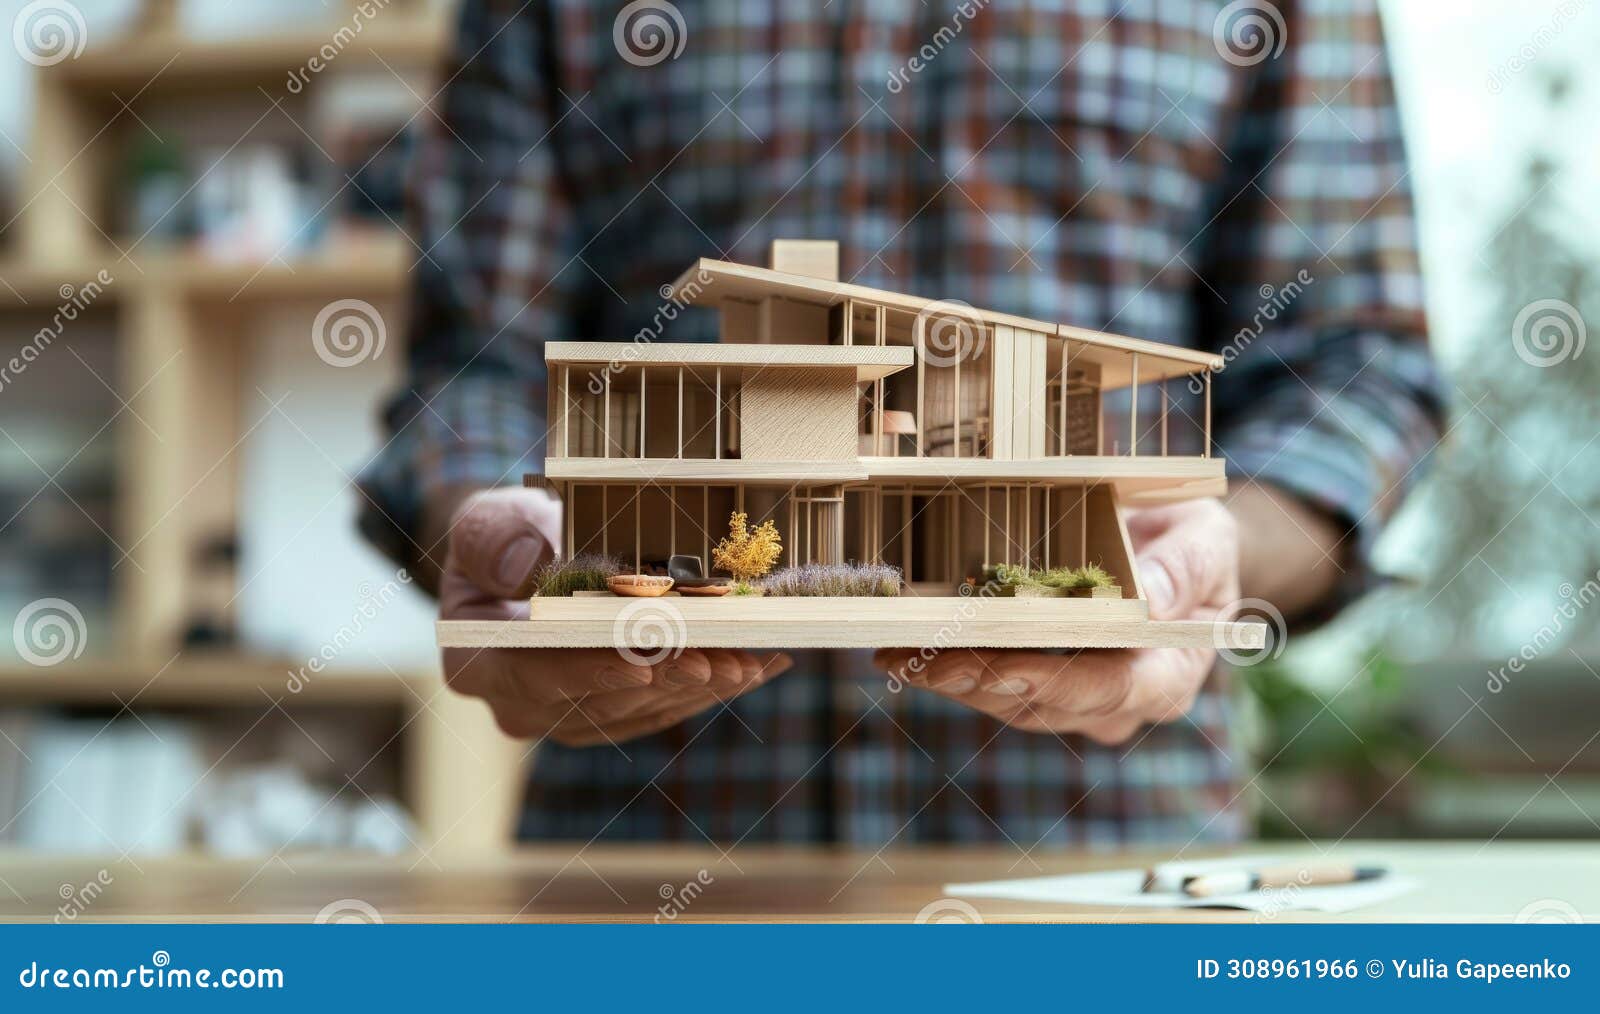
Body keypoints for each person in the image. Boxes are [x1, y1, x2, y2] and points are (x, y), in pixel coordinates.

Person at [358, 0, 1442, 844]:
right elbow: (473, 366)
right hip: (645, 862)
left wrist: (1196, 553)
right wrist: (513, 547)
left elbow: (1354, 371)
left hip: (1104, 862)